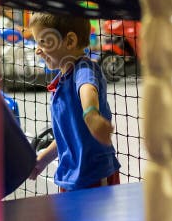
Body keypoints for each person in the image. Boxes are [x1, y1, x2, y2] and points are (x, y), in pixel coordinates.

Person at [28, 12, 121, 191]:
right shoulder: (63, 79)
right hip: (70, 177)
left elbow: (87, 89)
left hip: (93, 176)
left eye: (43, 42)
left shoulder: (84, 69)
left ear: (70, 41)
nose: (37, 50)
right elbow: (68, 135)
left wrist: (91, 115)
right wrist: (43, 159)